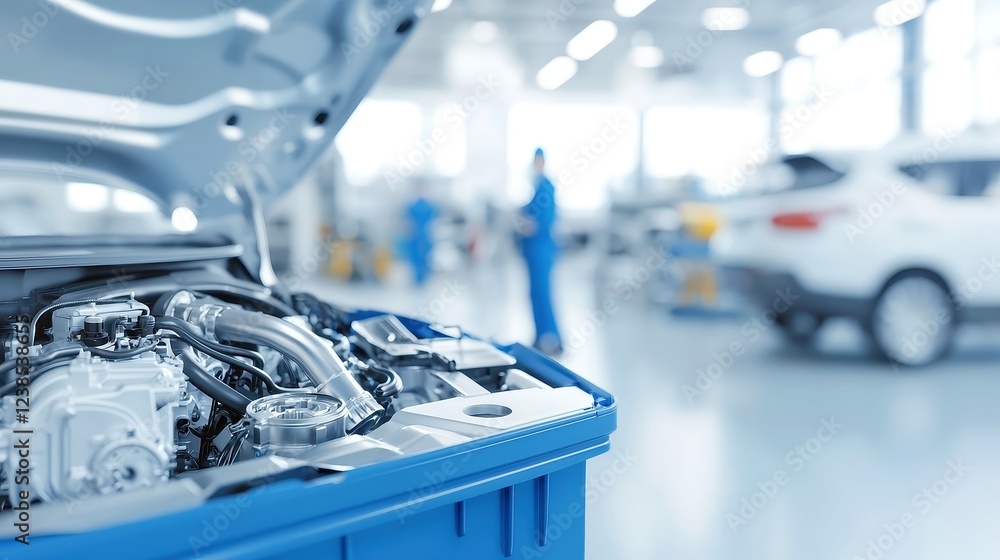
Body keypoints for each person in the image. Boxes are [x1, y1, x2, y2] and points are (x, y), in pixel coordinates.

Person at [518, 148, 563, 355]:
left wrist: (525, 225)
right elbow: (528, 210)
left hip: (541, 249)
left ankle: (555, 339)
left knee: (543, 294)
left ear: (542, 162)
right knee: (535, 293)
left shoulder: (546, 187)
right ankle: (540, 337)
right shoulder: (537, 188)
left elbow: (542, 222)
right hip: (533, 250)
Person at [406, 180, 436, 286]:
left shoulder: (430, 206)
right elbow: (408, 222)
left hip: (426, 235)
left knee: (425, 257)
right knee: (415, 257)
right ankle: (417, 278)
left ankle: (423, 278)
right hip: (415, 235)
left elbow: (434, 221)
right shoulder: (411, 206)